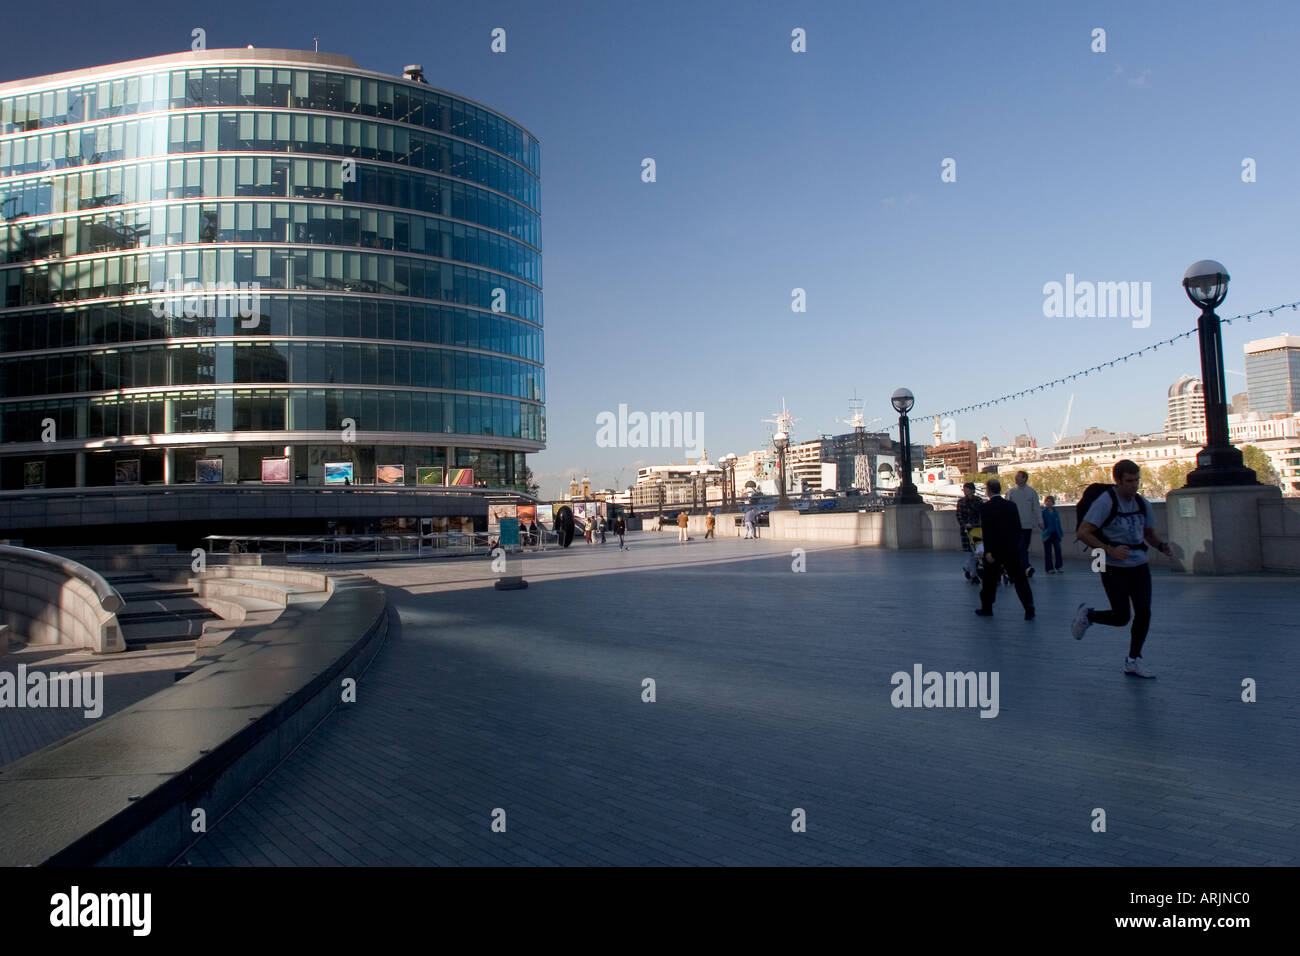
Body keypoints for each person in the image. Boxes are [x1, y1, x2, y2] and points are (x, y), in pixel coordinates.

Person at [1072, 459, 1172, 678]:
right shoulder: (1105, 502)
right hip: (1113, 566)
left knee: (1144, 612)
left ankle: (1133, 660)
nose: (1134, 485)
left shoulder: (1142, 503)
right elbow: (1083, 533)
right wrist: (1110, 549)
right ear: (1117, 481)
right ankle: (1089, 616)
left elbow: (1148, 533)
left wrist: (1162, 546)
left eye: (1137, 480)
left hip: (1139, 565)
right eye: (1129, 481)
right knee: (1121, 617)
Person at [975, 478, 1035, 619]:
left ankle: (987, 608)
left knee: (989, 581)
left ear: (988, 490)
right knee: (1020, 580)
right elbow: (1017, 527)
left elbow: (987, 531)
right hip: (1011, 549)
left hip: (994, 550)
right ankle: (1029, 607)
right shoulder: (1011, 506)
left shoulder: (985, 508)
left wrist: (988, 550)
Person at [1006, 470, 1042, 577]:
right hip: (1014, 526)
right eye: (1016, 477)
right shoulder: (1010, 492)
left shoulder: (1031, 492)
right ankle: (1026, 566)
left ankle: (1023, 567)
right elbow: (1006, 508)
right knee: (1020, 547)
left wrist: (1040, 521)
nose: (1016, 478)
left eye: (1018, 477)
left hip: (1027, 525)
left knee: (1024, 547)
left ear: (1024, 478)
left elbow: (1036, 507)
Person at [955, 481, 982, 552]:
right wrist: (964, 525)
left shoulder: (978, 500)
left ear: (972, 490)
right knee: (967, 550)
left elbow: (981, 513)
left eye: (967, 489)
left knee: (979, 547)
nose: (965, 491)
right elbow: (959, 515)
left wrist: (976, 524)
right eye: (964, 489)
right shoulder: (961, 501)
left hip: (977, 527)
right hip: (966, 529)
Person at [1041, 496, 1064, 573]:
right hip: (1047, 534)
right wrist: (1044, 533)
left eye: (1050, 501)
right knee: (1048, 552)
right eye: (1047, 501)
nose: (1048, 503)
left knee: (1058, 550)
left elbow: (1058, 523)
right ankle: (1049, 568)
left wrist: (1060, 533)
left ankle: (1058, 566)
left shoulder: (1055, 512)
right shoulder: (1043, 512)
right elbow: (1041, 524)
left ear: (1053, 503)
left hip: (1055, 533)